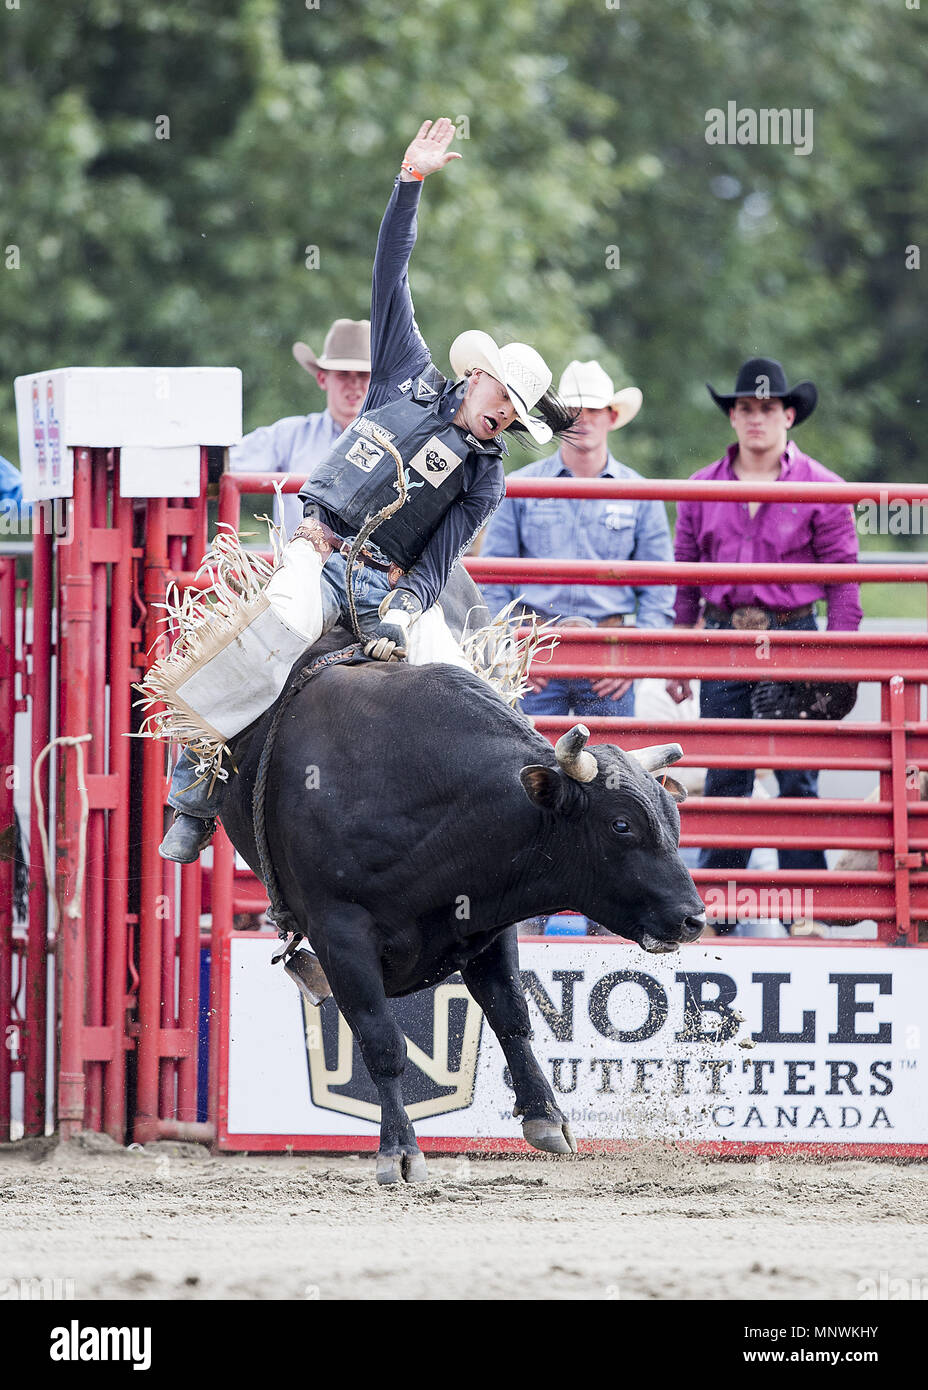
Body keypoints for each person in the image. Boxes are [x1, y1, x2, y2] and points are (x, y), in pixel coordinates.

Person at [159, 116, 574, 863]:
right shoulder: (404, 374)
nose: (503, 409)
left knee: (464, 684)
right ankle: (194, 789)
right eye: (501, 392)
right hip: (322, 553)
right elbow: (392, 269)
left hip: (389, 590)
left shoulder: (487, 480)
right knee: (275, 625)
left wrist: (402, 614)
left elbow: (439, 562)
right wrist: (408, 182)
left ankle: (479, 838)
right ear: (476, 375)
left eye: (516, 406)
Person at [667, 356, 862, 899]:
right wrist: (680, 653)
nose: (757, 418)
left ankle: (806, 907)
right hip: (723, 637)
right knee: (729, 774)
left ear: (788, 415)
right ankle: (722, 907)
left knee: (797, 774)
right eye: (746, 408)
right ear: (732, 417)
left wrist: (838, 662)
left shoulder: (825, 488)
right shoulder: (701, 487)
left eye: (768, 408)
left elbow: (844, 582)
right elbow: (685, 577)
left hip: (796, 637)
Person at [479, 359, 675, 719]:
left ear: (611, 417)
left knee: (610, 768)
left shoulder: (641, 495)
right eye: (571, 410)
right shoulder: (520, 487)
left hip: (610, 655)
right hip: (534, 652)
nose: (582, 418)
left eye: (593, 409)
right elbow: (494, 579)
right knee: (531, 769)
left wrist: (633, 659)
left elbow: (659, 586)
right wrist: (509, 650)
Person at [228, 319, 372, 538]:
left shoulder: (395, 442)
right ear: (323, 379)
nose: (354, 385)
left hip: (367, 570)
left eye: (363, 375)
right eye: (343, 374)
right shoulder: (288, 436)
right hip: (296, 570)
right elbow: (224, 463)